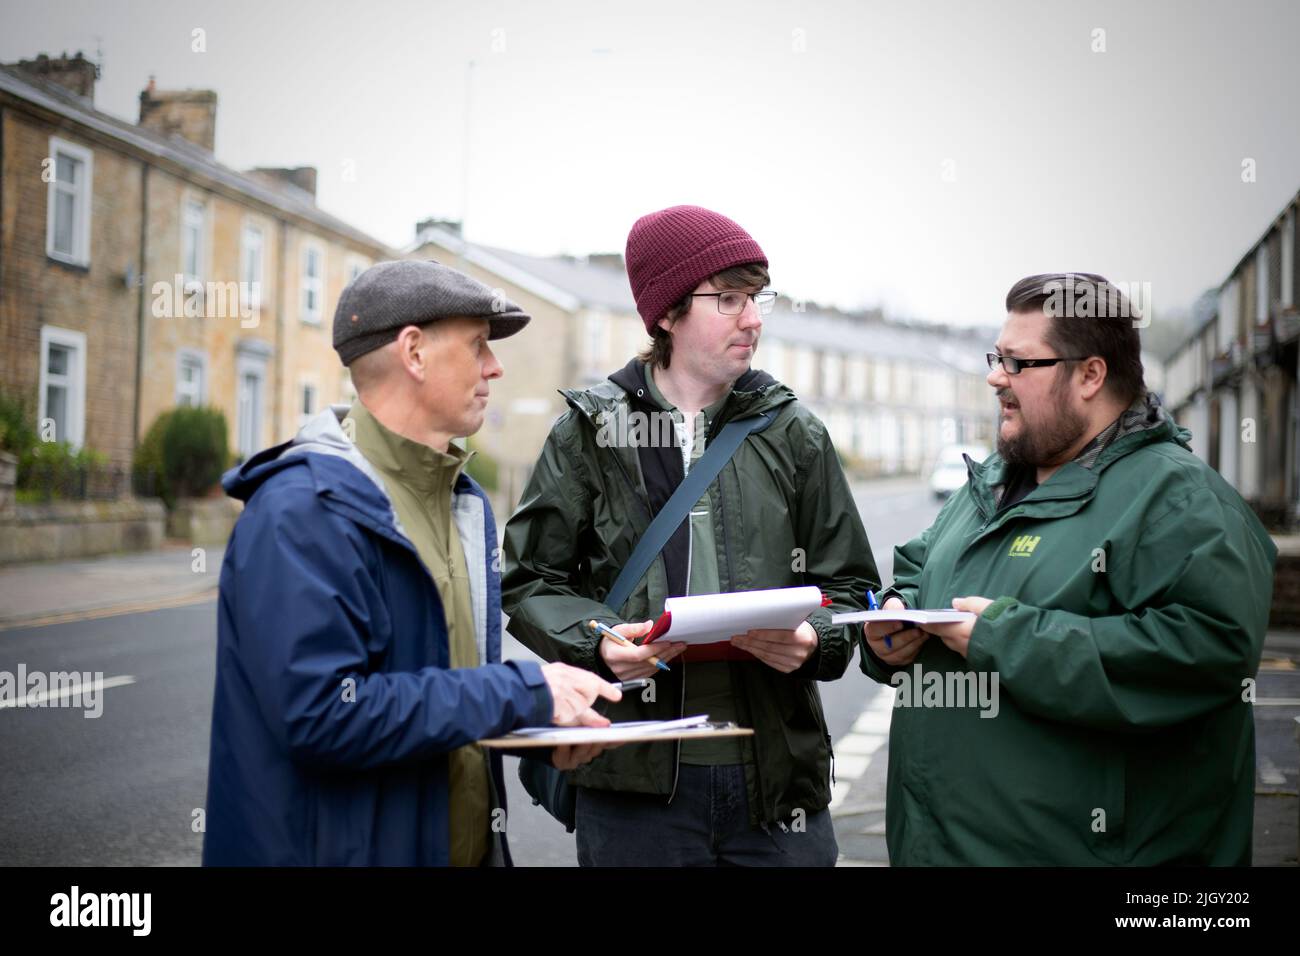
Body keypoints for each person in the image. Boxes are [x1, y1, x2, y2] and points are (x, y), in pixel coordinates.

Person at [203, 259, 620, 867]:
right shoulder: (302, 511)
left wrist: (541, 727)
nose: (495, 366)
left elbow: (438, 690)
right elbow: (324, 714)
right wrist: (522, 690)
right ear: (415, 353)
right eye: (478, 344)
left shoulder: (458, 502)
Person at [502, 205, 880, 866]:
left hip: (776, 788)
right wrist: (599, 639)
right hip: (632, 790)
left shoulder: (794, 432)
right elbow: (533, 579)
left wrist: (816, 639)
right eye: (728, 299)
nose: (753, 318)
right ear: (668, 314)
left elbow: (851, 587)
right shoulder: (591, 432)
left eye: (756, 299)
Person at [860, 273, 1277, 865]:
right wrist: (893, 620)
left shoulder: (1178, 499)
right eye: (995, 357)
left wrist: (1006, 638)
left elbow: (1209, 651)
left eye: (1018, 362)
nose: (994, 376)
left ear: (1090, 374)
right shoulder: (993, 483)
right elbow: (920, 567)